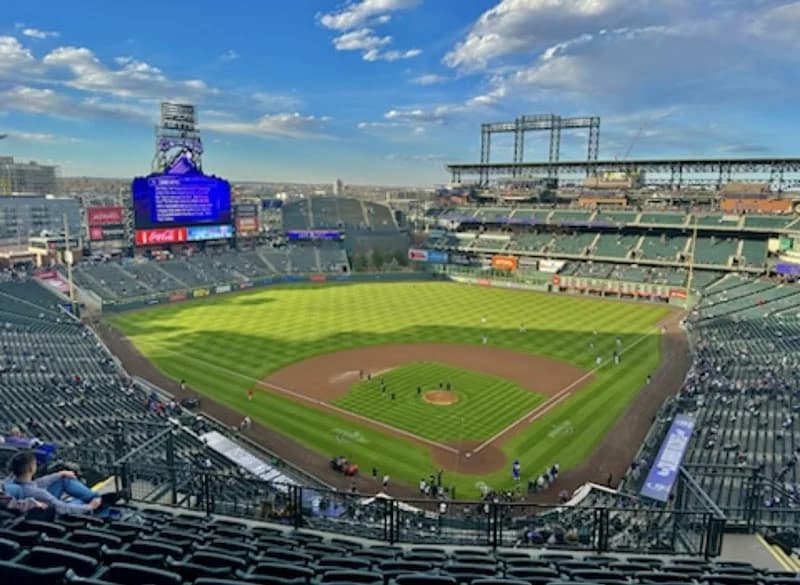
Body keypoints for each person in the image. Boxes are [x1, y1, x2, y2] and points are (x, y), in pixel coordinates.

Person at [4, 451, 109, 515]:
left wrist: (59, 474)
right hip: (56, 512)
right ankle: (97, 501)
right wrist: (90, 507)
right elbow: (62, 508)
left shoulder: (13, 484)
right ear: (31, 468)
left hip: (43, 506)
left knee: (63, 479)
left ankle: (96, 498)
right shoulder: (38, 493)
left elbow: (36, 483)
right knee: (80, 501)